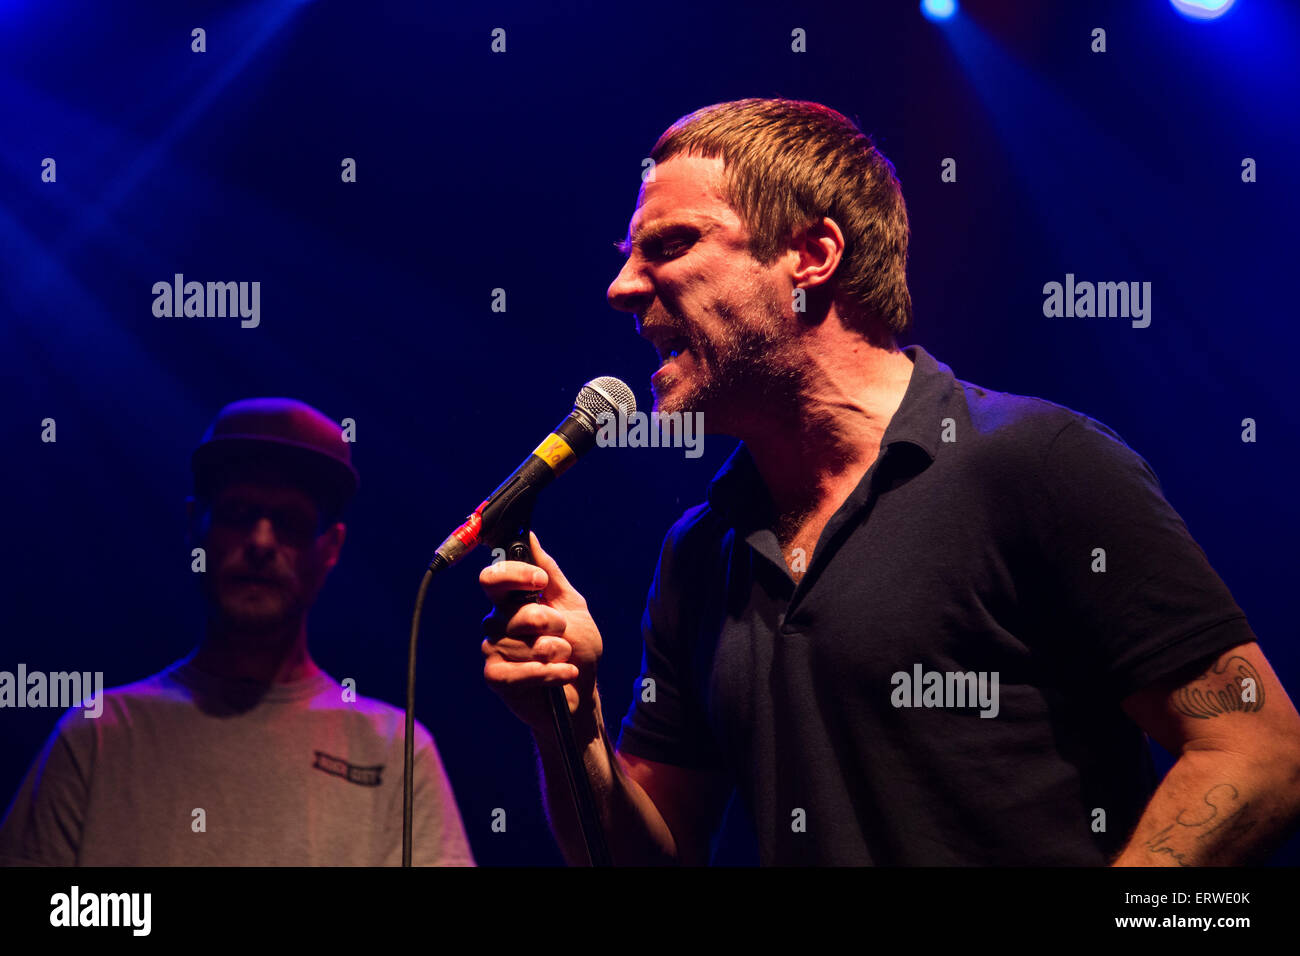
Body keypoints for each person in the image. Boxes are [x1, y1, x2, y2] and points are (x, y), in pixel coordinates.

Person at [479, 97, 1300, 866]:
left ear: (811, 255)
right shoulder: (701, 550)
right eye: (630, 256)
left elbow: (1258, 752)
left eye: (669, 246)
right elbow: (650, 857)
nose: (622, 289)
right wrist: (571, 727)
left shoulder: (1037, 464)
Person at [0, 398, 474, 866]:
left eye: (289, 521)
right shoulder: (95, 738)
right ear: (194, 525)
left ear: (330, 548)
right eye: (239, 513)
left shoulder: (398, 751)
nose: (261, 543)